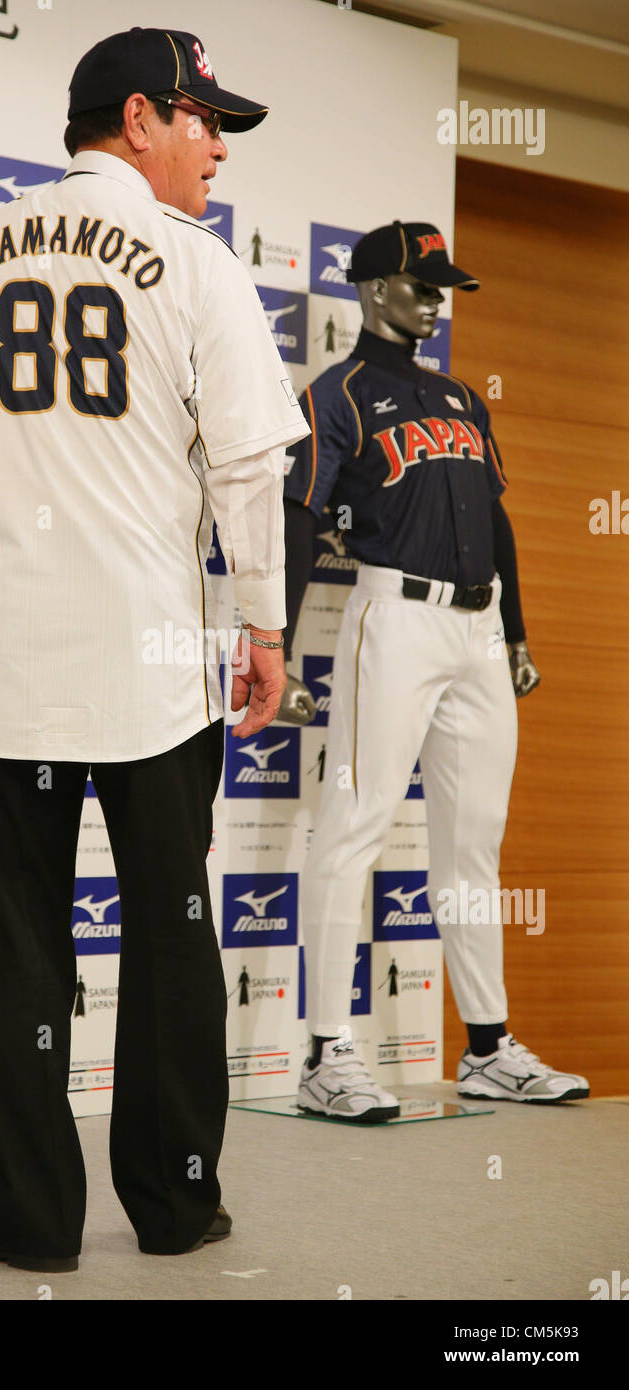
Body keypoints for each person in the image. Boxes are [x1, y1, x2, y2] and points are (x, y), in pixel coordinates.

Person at [0, 26, 308, 1271]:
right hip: (151, 669)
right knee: (172, 930)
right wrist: (261, 625)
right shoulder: (193, 263)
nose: (216, 147)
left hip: (9, 666)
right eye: (202, 120)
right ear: (137, 120)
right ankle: (177, 1205)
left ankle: (32, 1220)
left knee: (23, 944)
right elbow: (246, 465)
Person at [280, 220, 589, 1121]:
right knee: (353, 824)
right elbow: (303, 517)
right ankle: (326, 1054)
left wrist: (520, 634)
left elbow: (496, 522)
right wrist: (284, 648)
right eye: (422, 285)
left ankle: (487, 1047)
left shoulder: (461, 398)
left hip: (478, 628)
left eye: (441, 284)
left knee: (473, 844)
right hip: (396, 614)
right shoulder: (336, 393)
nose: (436, 298)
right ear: (375, 289)